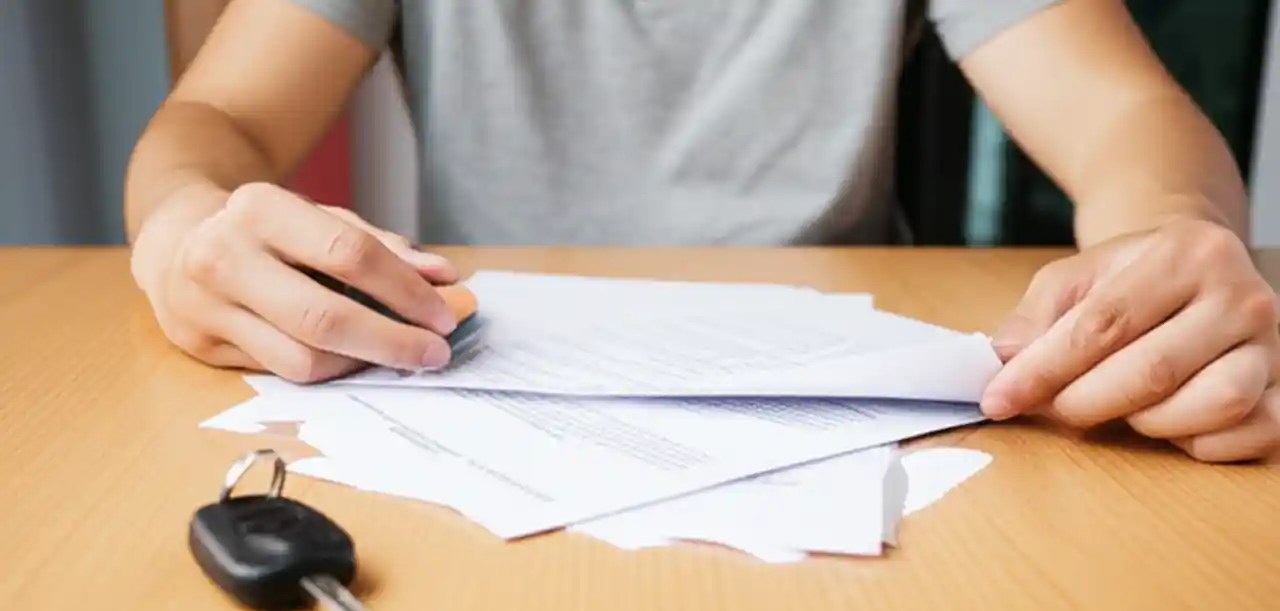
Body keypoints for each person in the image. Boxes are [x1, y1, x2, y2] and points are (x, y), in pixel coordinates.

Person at [124, 0, 1280, 463]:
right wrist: (185, 230)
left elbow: (1129, 115)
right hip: (487, 394)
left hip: (880, 423)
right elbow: (213, 120)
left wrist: (1166, 240)